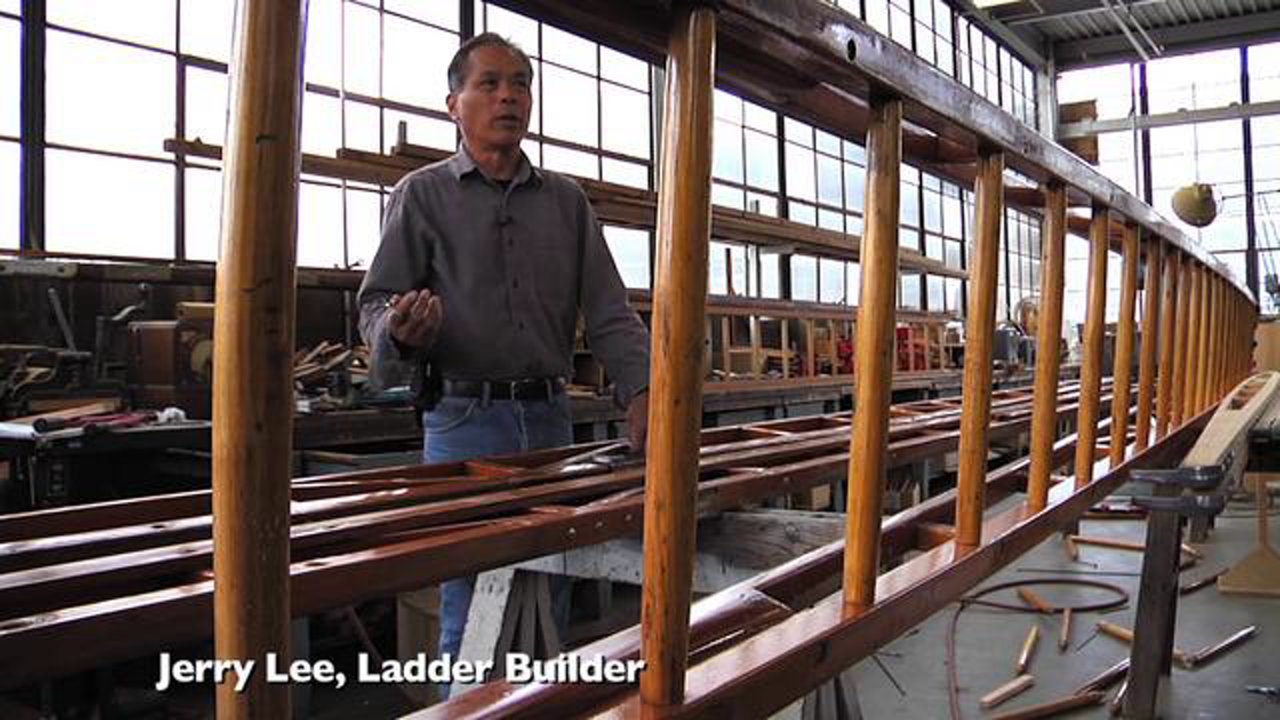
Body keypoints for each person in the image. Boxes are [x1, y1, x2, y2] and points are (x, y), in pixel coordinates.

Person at [356, 33, 651, 693]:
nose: (508, 96)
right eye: (488, 83)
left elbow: (609, 311)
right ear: (453, 104)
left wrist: (645, 391)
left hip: (549, 420)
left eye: (520, 83)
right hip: (463, 421)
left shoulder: (567, 203)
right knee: (470, 606)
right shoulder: (422, 195)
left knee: (548, 596)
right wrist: (399, 333)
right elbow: (375, 303)